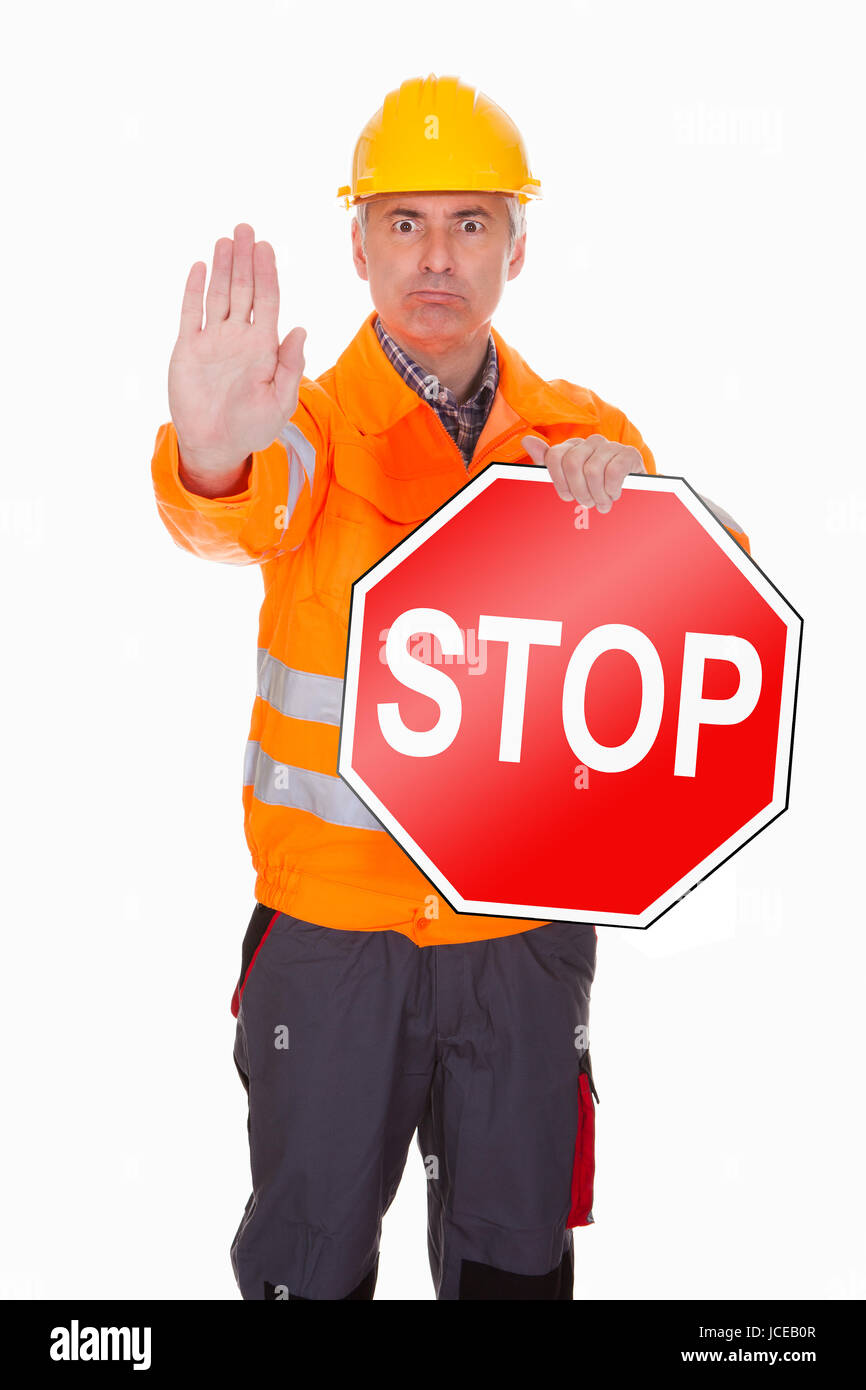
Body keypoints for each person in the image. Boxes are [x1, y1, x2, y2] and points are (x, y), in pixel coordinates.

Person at [151, 73, 751, 1301]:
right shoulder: (300, 421)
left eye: (469, 223)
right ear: (358, 246)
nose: (436, 257)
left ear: (516, 248)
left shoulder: (578, 431)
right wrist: (213, 445)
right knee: (307, 1267)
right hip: (332, 940)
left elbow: (715, 627)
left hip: (520, 940)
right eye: (404, 223)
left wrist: (642, 509)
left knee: (515, 1266)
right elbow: (239, 510)